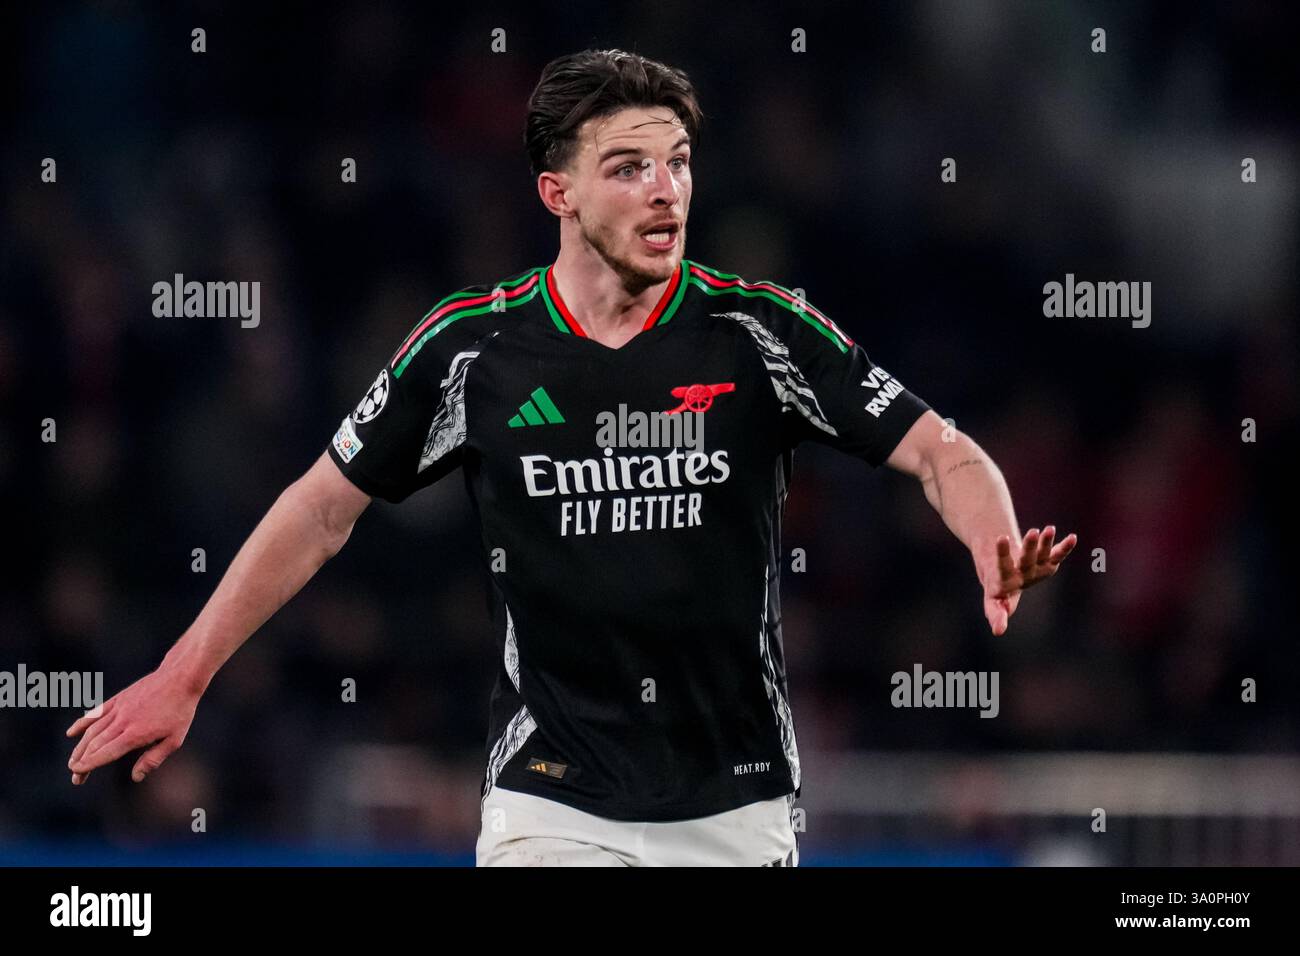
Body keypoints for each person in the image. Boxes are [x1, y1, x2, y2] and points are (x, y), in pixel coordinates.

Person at [66, 48, 1076, 866]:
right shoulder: (475, 347)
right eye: (629, 166)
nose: (665, 189)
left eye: (678, 161)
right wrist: (185, 673)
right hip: (551, 804)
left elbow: (940, 450)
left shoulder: (757, 332)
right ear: (558, 190)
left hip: (737, 803)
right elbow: (322, 506)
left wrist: (989, 531)